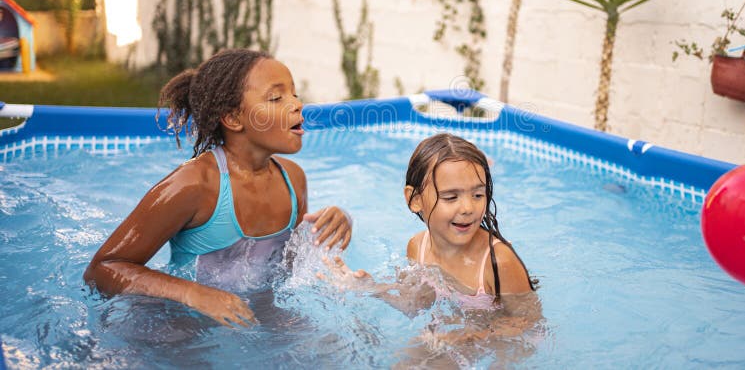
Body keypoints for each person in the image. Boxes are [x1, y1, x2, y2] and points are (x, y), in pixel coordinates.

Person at [84, 49, 352, 328]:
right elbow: (102, 269)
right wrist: (193, 293)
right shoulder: (192, 185)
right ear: (233, 119)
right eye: (276, 98)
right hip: (181, 324)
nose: (296, 105)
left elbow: (290, 268)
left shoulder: (293, 179)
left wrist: (331, 227)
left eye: (294, 94)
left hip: (258, 316)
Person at [324, 133, 541, 340]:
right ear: (414, 199)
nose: (467, 207)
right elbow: (415, 304)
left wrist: (467, 337)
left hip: (492, 344)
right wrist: (373, 289)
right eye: (450, 197)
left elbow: (529, 323)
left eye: (477, 195)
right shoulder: (417, 247)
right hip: (445, 337)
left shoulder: (498, 262)